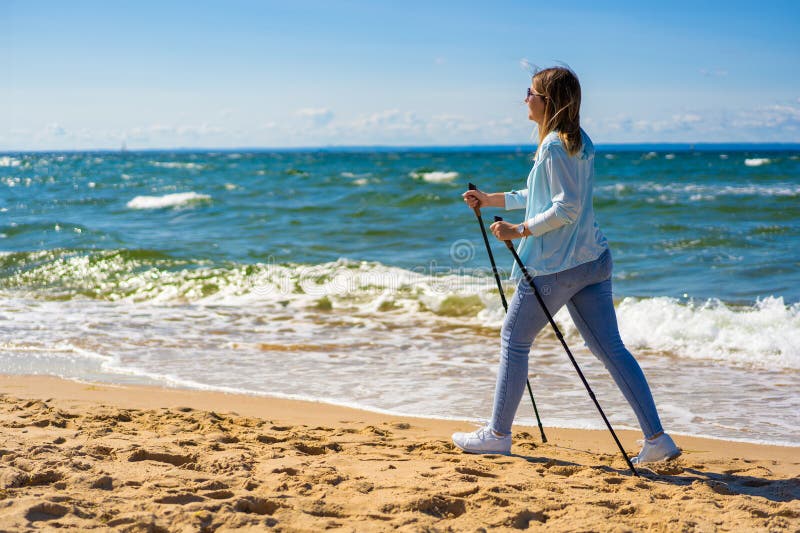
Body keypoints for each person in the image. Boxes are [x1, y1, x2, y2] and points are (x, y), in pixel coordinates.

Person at [455, 66, 680, 464]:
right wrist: (490, 199)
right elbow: (544, 194)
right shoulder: (578, 141)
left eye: (531, 92)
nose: (525, 98)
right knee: (611, 349)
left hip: (556, 266)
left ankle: (497, 435)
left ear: (548, 102)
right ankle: (657, 439)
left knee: (514, 341)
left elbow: (565, 208)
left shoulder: (554, 147)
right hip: (592, 260)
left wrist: (519, 230)